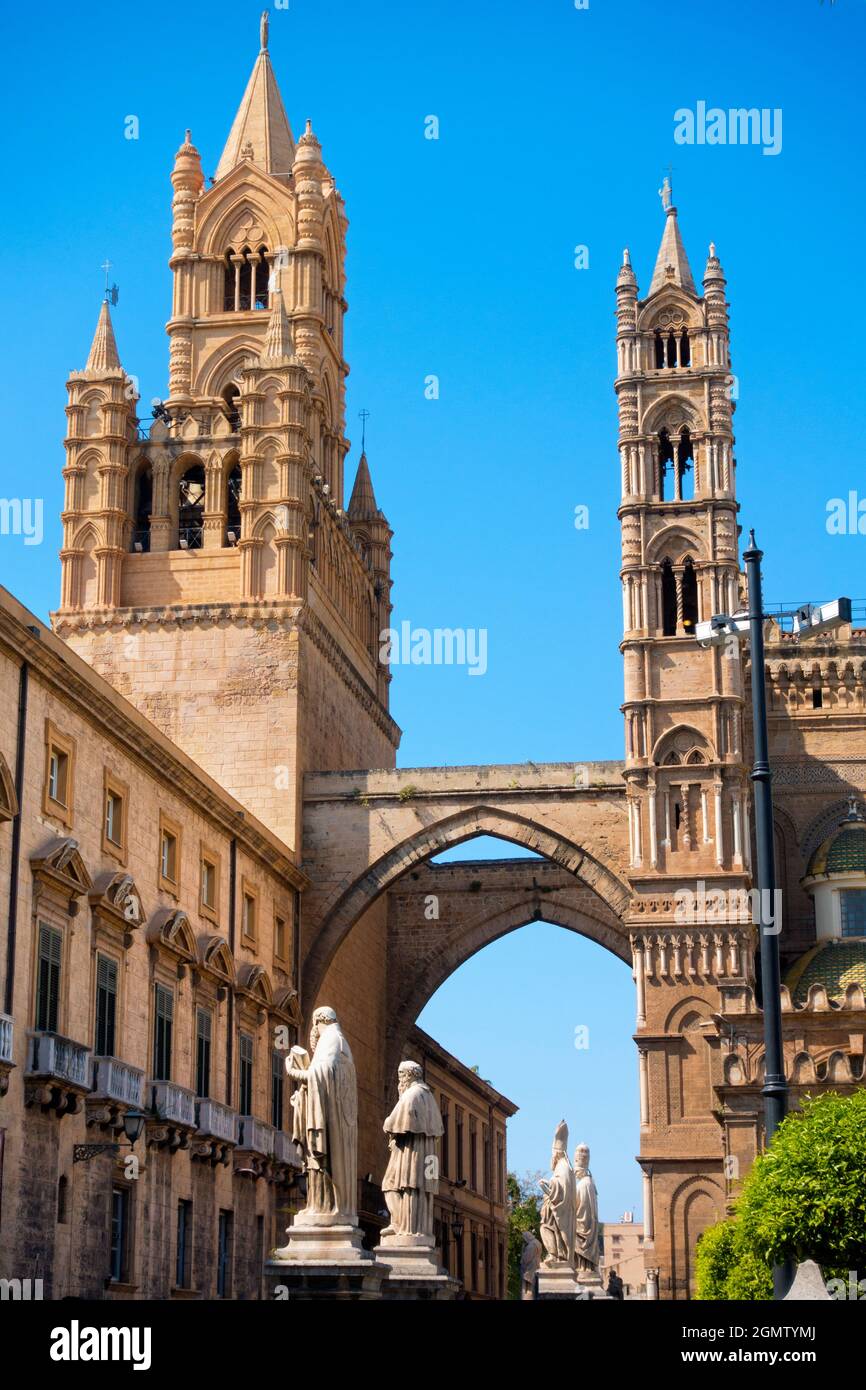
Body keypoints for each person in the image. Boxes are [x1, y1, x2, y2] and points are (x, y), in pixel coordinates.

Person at [286, 1006, 358, 1219]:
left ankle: (321, 1206)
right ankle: (318, 1205)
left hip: (325, 1122)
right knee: (315, 1162)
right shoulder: (340, 1040)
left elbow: (321, 1073)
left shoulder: (331, 1039)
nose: (314, 1032)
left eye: (315, 1027)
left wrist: (293, 1072)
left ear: (319, 1022)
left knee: (319, 1161)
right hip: (328, 1118)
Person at [381, 1060, 444, 1237]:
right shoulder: (429, 1096)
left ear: (408, 1075)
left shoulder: (411, 1096)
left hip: (411, 1154)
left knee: (391, 1184)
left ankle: (402, 1225)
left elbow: (390, 1124)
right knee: (420, 1188)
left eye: (401, 1075)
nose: (399, 1080)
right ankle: (412, 1226)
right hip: (426, 1157)